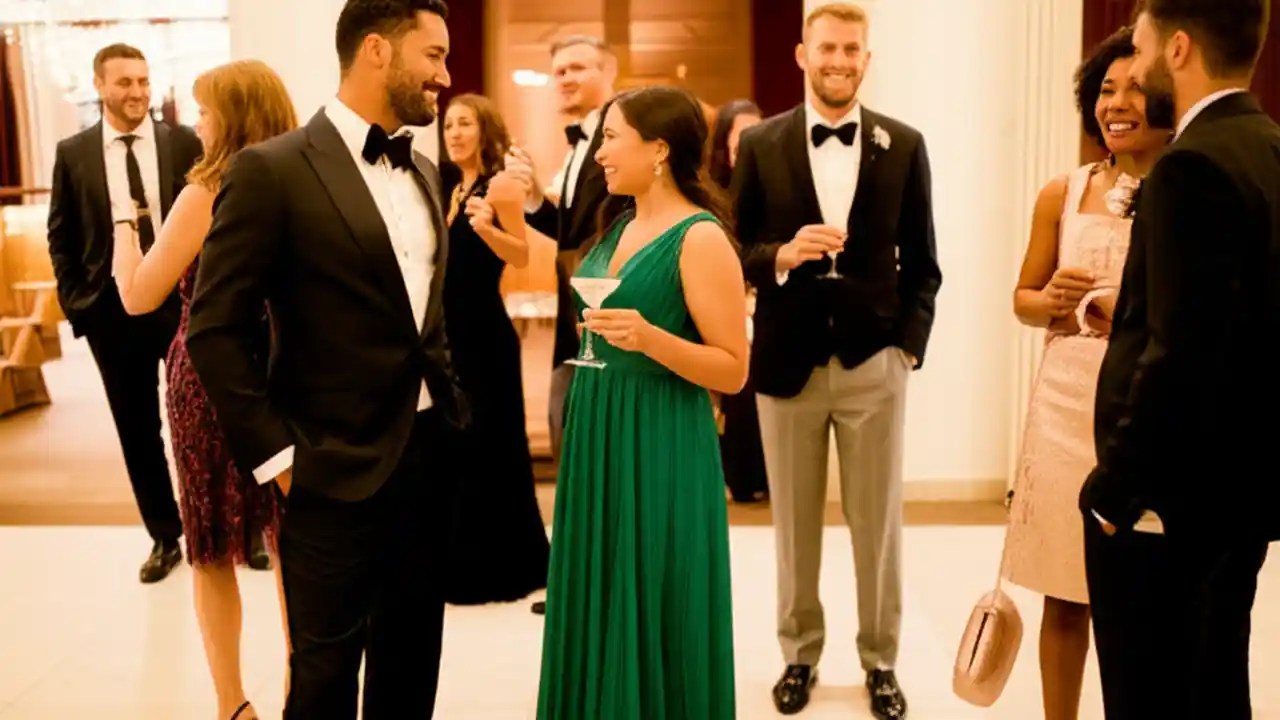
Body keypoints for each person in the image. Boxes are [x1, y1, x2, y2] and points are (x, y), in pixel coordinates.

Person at [184, 1, 466, 717]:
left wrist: (452, 417)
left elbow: (424, 317)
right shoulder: (272, 170)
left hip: (424, 461)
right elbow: (215, 328)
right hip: (324, 467)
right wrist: (277, 457)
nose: (445, 75)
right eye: (433, 55)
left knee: (412, 665)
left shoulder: (425, 170)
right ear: (377, 50)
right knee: (323, 678)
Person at [731, 4, 941, 718]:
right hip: (785, 362)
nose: (839, 60)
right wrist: (782, 256)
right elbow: (733, 248)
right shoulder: (759, 144)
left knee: (877, 528)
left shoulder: (904, 144)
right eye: (827, 47)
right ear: (802, 54)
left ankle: (881, 660)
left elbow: (924, 263)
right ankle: (799, 654)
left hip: (873, 364)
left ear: (866, 58)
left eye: (852, 49)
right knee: (793, 528)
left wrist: (907, 347)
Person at [1080, 1, 1278, 718]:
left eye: (1139, 49)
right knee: (1216, 684)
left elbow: (1179, 358)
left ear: (1180, 49)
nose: (1133, 69)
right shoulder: (1267, 145)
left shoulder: (1190, 166)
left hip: (1167, 507)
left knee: (1150, 697)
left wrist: (1112, 492)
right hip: (1241, 491)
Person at [536, 85, 746, 720]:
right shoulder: (621, 222)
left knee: (655, 585)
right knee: (600, 582)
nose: (599, 153)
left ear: (658, 150)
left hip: (660, 435)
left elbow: (734, 368)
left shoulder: (700, 238)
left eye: (610, 137)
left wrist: (651, 339)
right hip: (599, 424)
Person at [111, 59, 296, 720]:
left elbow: (139, 296)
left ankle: (232, 705)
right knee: (294, 542)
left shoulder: (208, 191)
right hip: (286, 373)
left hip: (208, 381)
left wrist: (124, 231)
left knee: (211, 548)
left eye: (206, 111)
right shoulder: (302, 182)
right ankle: (305, 695)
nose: (198, 124)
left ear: (233, 116)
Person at [1001, 26, 1167, 720]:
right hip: (1065, 408)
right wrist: (1052, 300)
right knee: (1064, 597)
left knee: (1145, 601)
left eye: (1135, 88)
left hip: (1146, 407)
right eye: (1105, 89)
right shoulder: (1062, 193)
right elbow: (1022, 299)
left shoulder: (1187, 190)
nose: (1116, 103)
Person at [45, 43, 202, 584]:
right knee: (137, 429)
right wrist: (79, 305)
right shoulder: (73, 153)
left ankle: (227, 527)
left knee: (204, 420)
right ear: (99, 86)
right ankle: (165, 535)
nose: (137, 92)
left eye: (143, 80)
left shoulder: (184, 142)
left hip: (182, 302)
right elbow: (61, 235)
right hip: (111, 311)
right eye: (125, 82)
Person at [503, 33, 617, 616]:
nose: (565, 79)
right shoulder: (576, 147)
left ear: (608, 72)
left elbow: (612, 231)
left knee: (598, 463)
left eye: (577, 68)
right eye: (559, 71)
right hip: (574, 326)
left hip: (607, 325)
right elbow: (570, 232)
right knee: (572, 454)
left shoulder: (615, 139)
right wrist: (532, 199)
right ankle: (578, 584)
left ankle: (599, 589)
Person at [438, 93, 550, 605]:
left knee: (491, 444)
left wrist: (485, 228)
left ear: (485, 129)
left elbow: (522, 253)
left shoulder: (500, 185)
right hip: (448, 334)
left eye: (465, 123)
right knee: (457, 446)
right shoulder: (450, 187)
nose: (455, 133)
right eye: (448, 125)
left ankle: (502, 567)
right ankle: (459, 559)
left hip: (484, 333)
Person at [708, 98, 769, 504]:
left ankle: (758, 476)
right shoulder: (712, 195)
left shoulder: (775, 185)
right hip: (721, 300)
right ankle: (734, 476)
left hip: (763, 299)